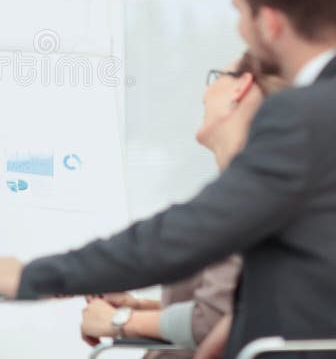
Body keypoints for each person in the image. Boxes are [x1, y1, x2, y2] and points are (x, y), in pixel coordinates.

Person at [0, 0, 336, 358]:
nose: (240, 29)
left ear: (270, 22)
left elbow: (187, 233)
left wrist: (34, 276)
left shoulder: (301, 116)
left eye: (240, 12)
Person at [80, 51, 286, 358]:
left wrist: (119, 321)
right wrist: (143, 307)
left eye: (216, 78)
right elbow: (235, 310)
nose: (205, 93)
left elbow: (211, 323)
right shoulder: (261, 191)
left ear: (240, 88)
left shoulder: (245, 199)